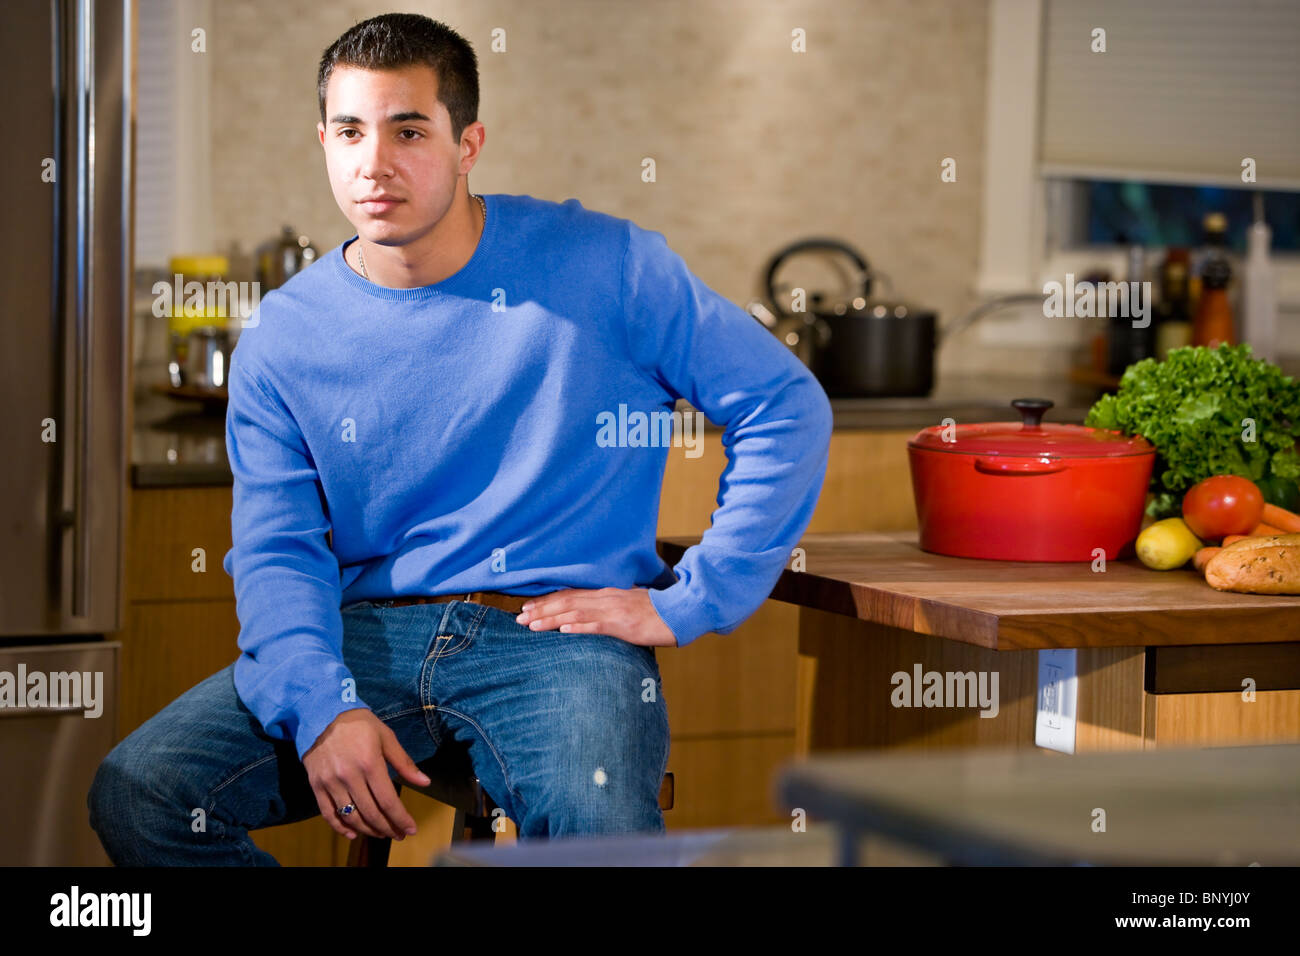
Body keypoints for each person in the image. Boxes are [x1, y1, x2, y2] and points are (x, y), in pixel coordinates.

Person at [88, 12, 831, 864]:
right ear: (323, 140)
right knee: (140, 791)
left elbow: (783, 406)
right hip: (361, 638)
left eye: (409, 131)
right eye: (350, 131)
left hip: (557, 639)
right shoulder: (285, 337)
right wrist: (322, 706)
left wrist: (687, 600)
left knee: (599, 828)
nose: (374, 163)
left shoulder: (608, 265)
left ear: (468, 142)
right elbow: (280, 555)